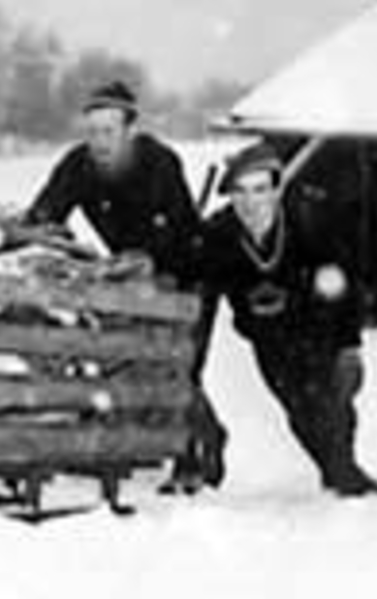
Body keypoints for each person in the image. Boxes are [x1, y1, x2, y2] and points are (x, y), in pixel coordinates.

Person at [25, 80, 226, 493]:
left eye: (109, 131)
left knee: (179, 364)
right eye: (92, 131)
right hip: (134, 280)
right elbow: (45, 214)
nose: (99, 141)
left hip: (190, 272)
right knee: (145, 359)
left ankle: (191, 455)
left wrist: (150, 260)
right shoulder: (79, 165)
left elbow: (179, 232)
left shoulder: (158, 162)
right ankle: (198, 436)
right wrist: (38, 237)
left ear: (130, 130)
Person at [200, 141, 377, 497]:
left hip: (321, 326)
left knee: (333, 398)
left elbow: (343, 282)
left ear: (275, 190)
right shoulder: (219, 236)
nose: (251, 202)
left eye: (259, 190)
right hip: (267, 336)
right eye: (240, 192)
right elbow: (204, 293)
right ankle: (337, 471)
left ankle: (344, 476)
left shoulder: (309, 219)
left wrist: (349, 344)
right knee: (299, 410)